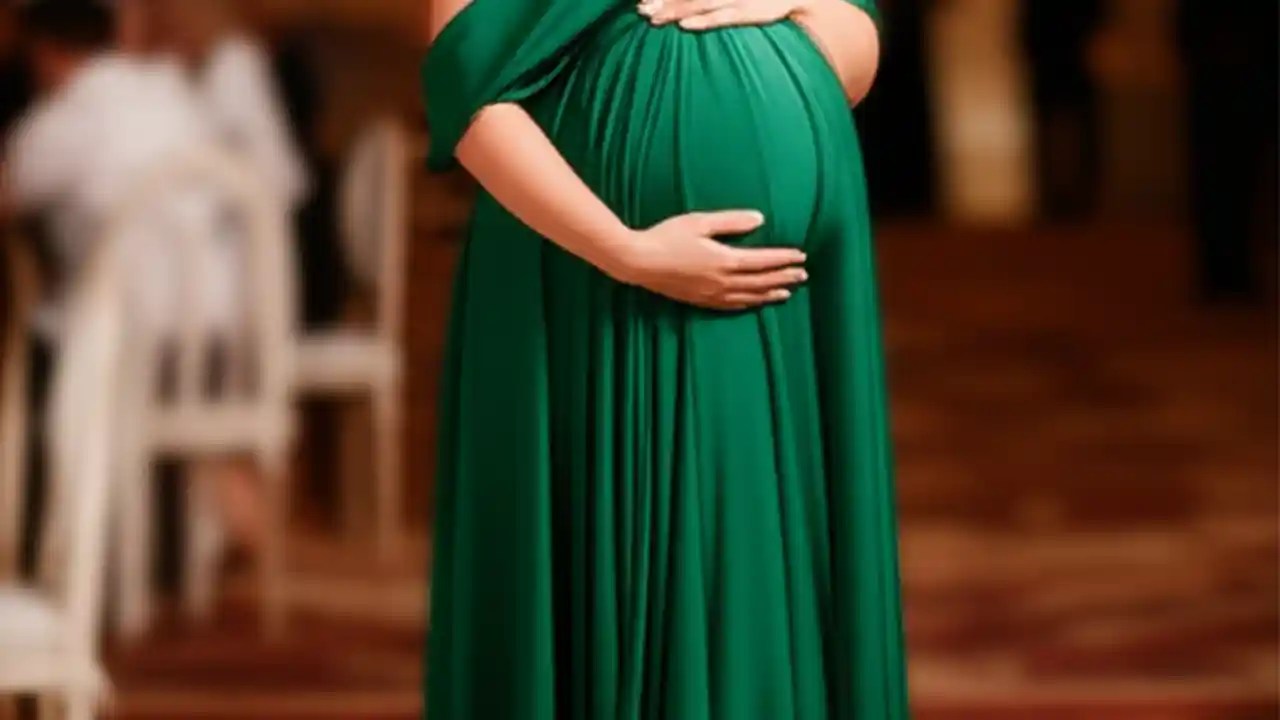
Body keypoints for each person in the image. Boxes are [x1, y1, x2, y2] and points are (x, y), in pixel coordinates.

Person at [423, 0, 906, 717]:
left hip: (789, 300)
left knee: (759, 562)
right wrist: (625, 251)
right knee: (631, 576)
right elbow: (465, 83)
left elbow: (858, 41)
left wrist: (795, 9)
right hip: (593, 281)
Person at [1177, 1, 1278, 302]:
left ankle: (1234, 270)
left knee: (1239, 183)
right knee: (1220, 183)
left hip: (1243, 82)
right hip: (1224, 83)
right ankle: (1221, 271)